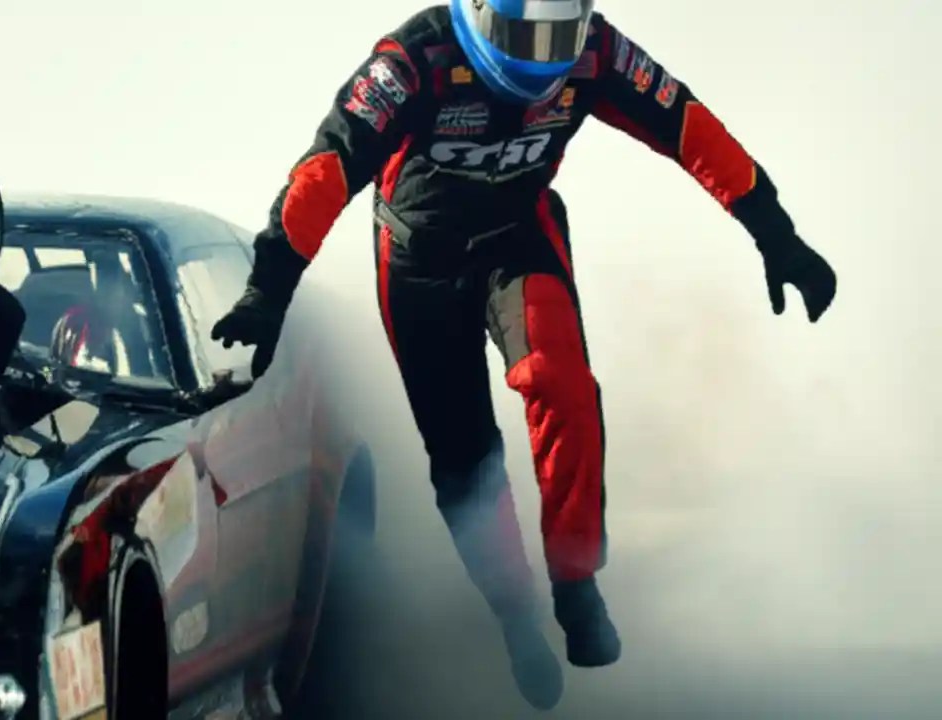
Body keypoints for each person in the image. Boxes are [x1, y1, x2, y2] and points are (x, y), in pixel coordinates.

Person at [210, 0, 836, 710]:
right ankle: (513, 615)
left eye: (559, 33)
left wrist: (775, 234)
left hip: (519, 236)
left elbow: (689, 127)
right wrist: (269, 286)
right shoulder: (412, 60)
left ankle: (575, 581)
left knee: (562, 385)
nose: (543, 56)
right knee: (465, 456)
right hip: (418, 262)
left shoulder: (597, 51)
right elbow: (328, 165)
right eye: (524, 33)